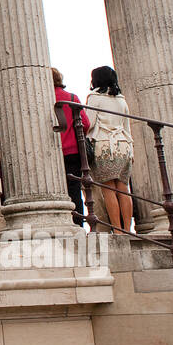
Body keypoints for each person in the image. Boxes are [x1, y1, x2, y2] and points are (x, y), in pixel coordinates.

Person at [86, 66, 134, 234]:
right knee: (123, 189)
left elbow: (89, 123)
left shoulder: (94, 98)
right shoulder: (121, 99)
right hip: (124, 145)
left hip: (105, 145)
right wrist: (131, 151)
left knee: (108, 190)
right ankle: (128, 229)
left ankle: (118, 230)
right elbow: (127, 127)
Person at [52, 67, 91, 227]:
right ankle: (78, 224)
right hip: (74, 151)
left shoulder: (44, 99)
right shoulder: (72, 98)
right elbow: (86, 124)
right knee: (74, 189)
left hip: (52, 152)